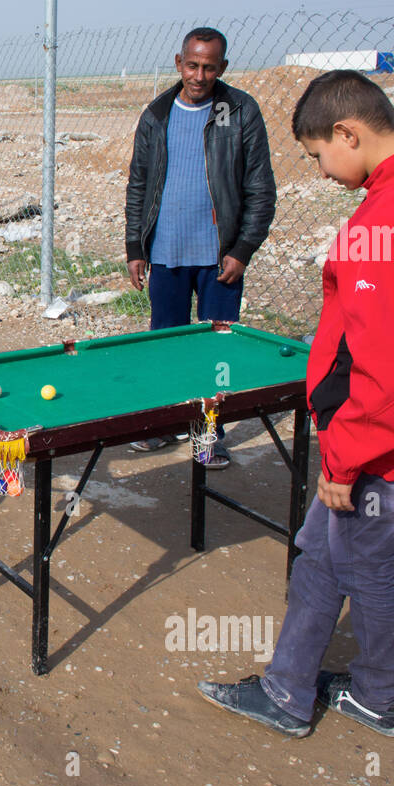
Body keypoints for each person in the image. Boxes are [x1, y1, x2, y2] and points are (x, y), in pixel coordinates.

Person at [196, 71, 394, 738]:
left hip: (380, 435)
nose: (321, 171)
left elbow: (390, 364)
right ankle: (301, 684)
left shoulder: (386, 222)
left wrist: (345, 458)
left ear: (349, 133)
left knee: (359, 557)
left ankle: (373, 695)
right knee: (326, 550)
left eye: (317, 156)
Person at [124, 26, 276, 466]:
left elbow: (260, 188)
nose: (199, 75)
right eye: (192, 65)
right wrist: (136, 246)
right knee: (164, 343)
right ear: (179, 63)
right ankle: (162, 424)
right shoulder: (156, 114)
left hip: (219, 258)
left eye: (210, 67)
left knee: (215, 349)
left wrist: (242, 249)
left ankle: (208, 434)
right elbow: (138, 184)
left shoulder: (240, 111)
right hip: (166, 253)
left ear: (222, 68)